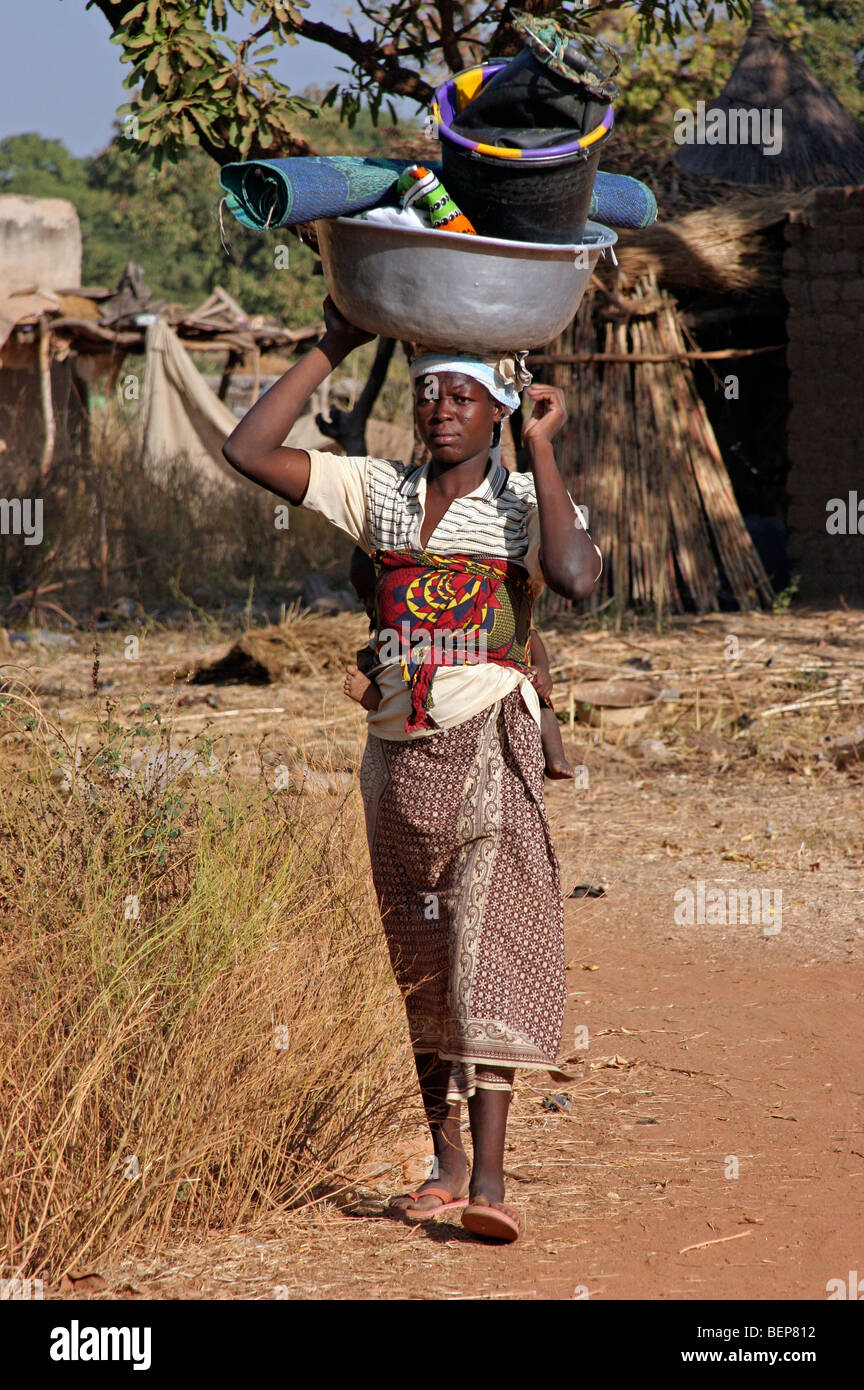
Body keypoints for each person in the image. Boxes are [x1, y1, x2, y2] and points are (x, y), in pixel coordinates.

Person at [223, 297, 602, 1243]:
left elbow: (575, 577)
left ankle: (493, 1182)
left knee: (487, 942)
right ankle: (445, 1163)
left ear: (498, 410)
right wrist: (333, 343)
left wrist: (541, 448)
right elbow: (248, 450)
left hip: (487, 737)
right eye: (429, 394)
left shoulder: (524, 504)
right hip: (394, 752)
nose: (440, 410)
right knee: (421, 956)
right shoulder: (378, 491)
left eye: (463, 397)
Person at [343, 547, 575, 778]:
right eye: (362, 598)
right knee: (383, 674)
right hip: (407, 700)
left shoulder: (472, 612)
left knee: (541, 703)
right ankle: (375, 699)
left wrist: (543, 671)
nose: (368, 605)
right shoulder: (385, 639)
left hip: (497, 676)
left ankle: (555, 755)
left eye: (371, 594)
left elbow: (531, 636)